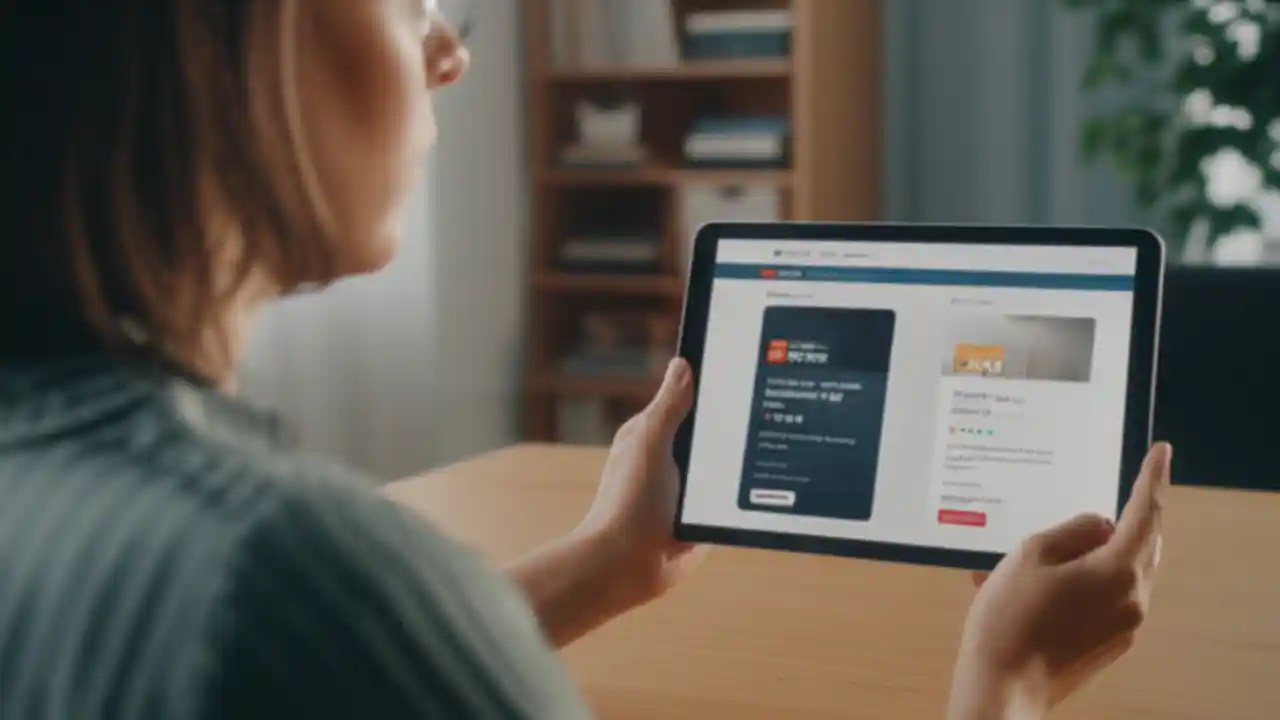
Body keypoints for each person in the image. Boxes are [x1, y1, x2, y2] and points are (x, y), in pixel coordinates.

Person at [0, 1, 1169, 718]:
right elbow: (326, 628)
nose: (447, 49)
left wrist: (605, 565)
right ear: (215, 41)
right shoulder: (290, 573)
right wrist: (1007, 683)